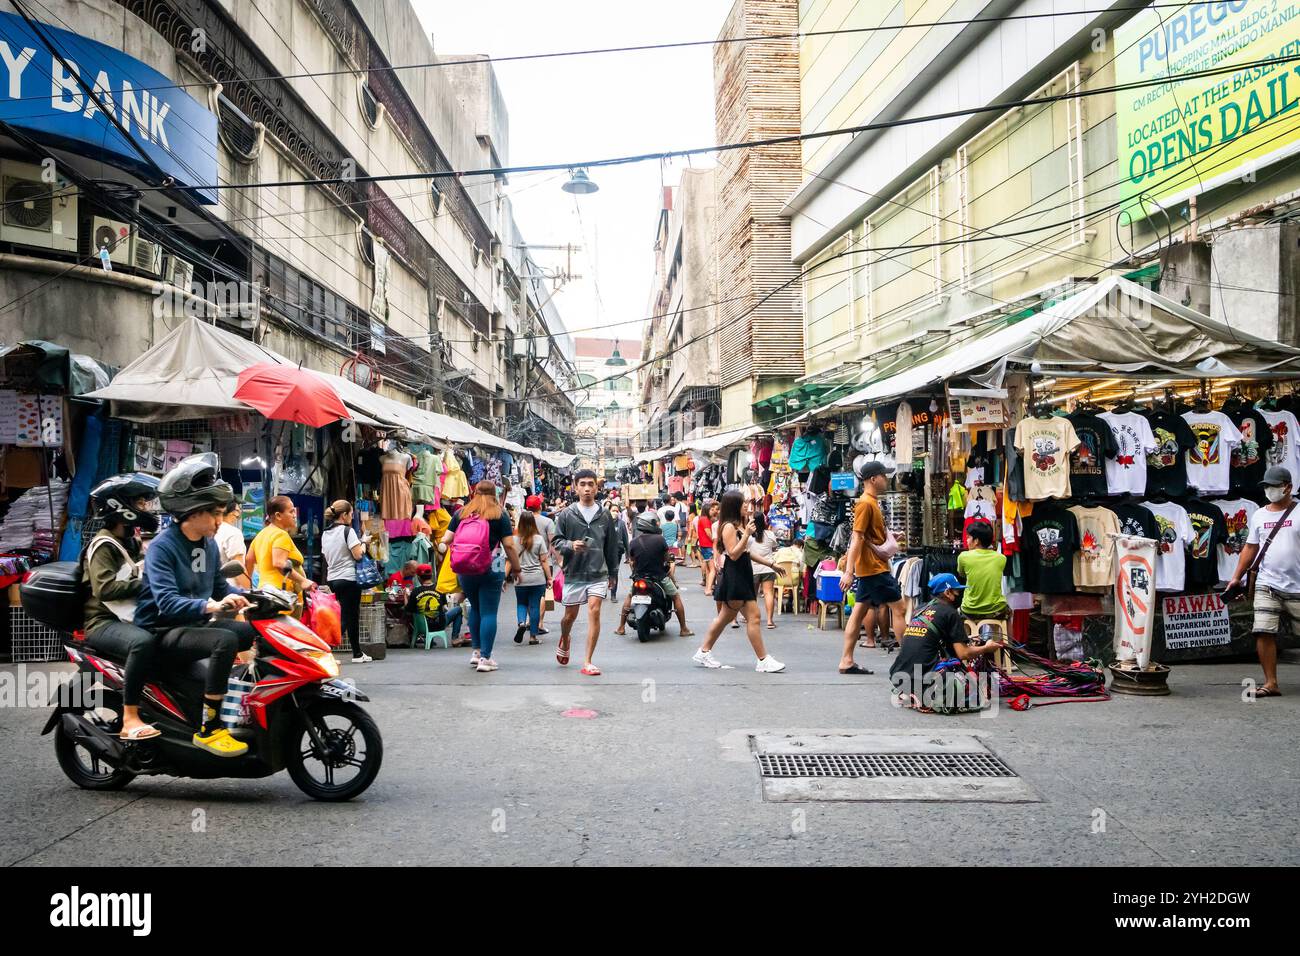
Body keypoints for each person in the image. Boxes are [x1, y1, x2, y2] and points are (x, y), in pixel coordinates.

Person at [134, 454, 254, 757]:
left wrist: (254, 596)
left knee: (246, 632)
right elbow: (167, 603)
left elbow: (219, 587)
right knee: (225, 639)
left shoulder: (208, 544)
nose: (219, 520)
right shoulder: (163, 547)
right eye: (214, 513)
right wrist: (213, 607)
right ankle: (210, 728)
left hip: (192, 627)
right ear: (193, 511)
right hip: (162, 630)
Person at [81, 473, 163, 741]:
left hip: (128, 617)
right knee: (143, 643)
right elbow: (104, 589)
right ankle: (130, 717)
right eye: (141, 503)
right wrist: (147, 583)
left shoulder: (131, 541)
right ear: (120, 507)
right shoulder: (103, 545)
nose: (146, 509)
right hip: (103, 623)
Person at [692, 490, 785, 672]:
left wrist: (770, 564)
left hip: (742, 573)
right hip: (735, 574)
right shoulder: (728, 527)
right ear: (735, 506)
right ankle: (763, 659)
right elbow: (734, 554)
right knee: (753, 617)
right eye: (743, 503)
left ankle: (704, 651)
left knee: (725, 617)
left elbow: (747, 552)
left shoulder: (739, 525)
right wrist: (746, 535)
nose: (746, 506)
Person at [1227, 465, 1300, 698]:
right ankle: (1271, 683)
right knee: (1263, 631)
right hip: (1267, 584)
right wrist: (1236, 577)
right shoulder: (1259, 515)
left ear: (1288, 487)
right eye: (1266, 486)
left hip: (1298, 585)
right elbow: (1250, 547)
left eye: (1274, 486)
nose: (1269, 490)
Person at [889, 574, 1004, 711]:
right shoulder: (950, 613)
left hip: (899, 676)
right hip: (925, 678)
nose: (959, 595)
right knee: (973, 689)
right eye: (957, 592)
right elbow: (963, 653)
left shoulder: (920, 609)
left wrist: (968, 638)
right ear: (947, 592)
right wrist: (986, 648)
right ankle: (926, 692)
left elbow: (930, 636)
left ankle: (913, 692)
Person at [441, 481, 521, 673]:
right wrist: (517, 568)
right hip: (493, 564)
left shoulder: (461, 513)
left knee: (475, 607)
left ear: (474, 493)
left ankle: (476, 653)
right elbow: (509, 545)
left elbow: (445, 540)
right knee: (489, 612)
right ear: (495, 493)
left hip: (465, 567)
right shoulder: (499, 513)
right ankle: (486, 657)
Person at [838, 461, 906, 675]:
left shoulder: (871, 503)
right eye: (883, 476)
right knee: (900, 608)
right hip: (875, 569)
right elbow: (856, 538)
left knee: (858, 612)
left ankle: (846, 660)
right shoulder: (866, 504)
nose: (887, 479)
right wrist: (849, 571)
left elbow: (867, 537)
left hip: (870, 568)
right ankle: (908, 659)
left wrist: (890, 538)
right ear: (873, 479)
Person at [553, 469, 621, 676]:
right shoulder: (566, 514)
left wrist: (613, 573)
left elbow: (612, 546)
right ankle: (565, 638)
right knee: (569, 617)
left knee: (595, 610)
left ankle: (588, 661)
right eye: (582, 484)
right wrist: (569, 545)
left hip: (598, 572)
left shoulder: (605, 515)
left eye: (591, 484)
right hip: (573, 572)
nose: (587, 488)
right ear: (575, 487)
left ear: (597, 487)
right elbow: (556, 541)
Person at [615, 512, 693, 637]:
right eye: (655, 522)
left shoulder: (634, 542)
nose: (657, 524)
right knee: (676, 597)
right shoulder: (660, 540)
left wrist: (635, 574)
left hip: (639, 578)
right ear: (650, 524)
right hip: (659, 578)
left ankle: (621, 627)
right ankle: (683, 628)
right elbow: (667, 558)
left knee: (629, 597)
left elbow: (632, 562)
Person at [321, 499, 374, 664]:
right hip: (349, 578)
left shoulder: (325, 533)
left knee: (350, 617)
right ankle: (325, 652)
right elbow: (358, 555)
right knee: (346, 617)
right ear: (344, 515)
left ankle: (357, 653)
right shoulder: (348, 531)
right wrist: (364, 543)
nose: (352, 517)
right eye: (351, 514)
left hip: (333, 579)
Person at [246, 495, 316, 605]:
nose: (294, 515)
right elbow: (279, 563)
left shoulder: (261, 534)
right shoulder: (281, 535)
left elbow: (249, 560)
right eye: (291, 512)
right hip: (282, 597)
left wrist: (248, 587)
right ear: (278, 515)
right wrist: (303, 581)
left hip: (266, 593)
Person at [513, 510, 553, 645]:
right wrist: (549, 577)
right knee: (534, 606)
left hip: (520, 578)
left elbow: (509, 560)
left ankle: (521, 623)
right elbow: (544, 561)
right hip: (537, 578)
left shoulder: (514, 540)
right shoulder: (539, 539)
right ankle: (533, 637)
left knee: (521, 603)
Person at [957, 520, 1008, 619]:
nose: (966, 541)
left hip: (970, 610)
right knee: (1009, 614)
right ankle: (1005, 635)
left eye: (968, 538)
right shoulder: (1001, 558)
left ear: (976, 541)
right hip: (996, 609)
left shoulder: (963, 557)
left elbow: (962, 574)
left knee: (960, 616)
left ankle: (966, 635)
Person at [525, 495, 556, 635]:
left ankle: (529, 620)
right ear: (540, 507)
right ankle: (539, 623)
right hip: (544, 561)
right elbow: (553, 543)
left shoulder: (522, 520)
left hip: (524, 561)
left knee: (526, 592)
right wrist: (559, 560)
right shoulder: (547, 522)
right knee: (542, 593)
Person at [749, 511, 779, 629]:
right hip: (768, 567)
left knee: (753, 595)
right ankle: (769, 621)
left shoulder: (749, 535)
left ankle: (751, 618)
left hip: (753, 568)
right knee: (768, 593)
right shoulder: (770, 534)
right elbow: (774, 546)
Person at [405, 566, 445, 647]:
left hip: (421, 626)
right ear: (432, 575)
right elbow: (443, 608)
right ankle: (455, 637)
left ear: (419, 577)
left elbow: (408, 609)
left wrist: (405, 596)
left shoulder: (416, 591)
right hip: (439, 625)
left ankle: (419, 637)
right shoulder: (440, 589)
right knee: (458, 610)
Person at [214, 502, 249, 589]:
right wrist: (248, 590)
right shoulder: (233, 532)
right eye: (237, 511)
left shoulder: (208, 531)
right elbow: (238, 567)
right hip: (229, 590)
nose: (238, 514)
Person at [698, 500, 718, 590]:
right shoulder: (705, 520)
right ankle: (708, 588)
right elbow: (709, 533)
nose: (713, 511)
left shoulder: (703, 519)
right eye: (711, 509)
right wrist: (715, 541)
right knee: (713, 569)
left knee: (709, 568)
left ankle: (707, 586)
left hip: (705, 545)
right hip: (708, 545)